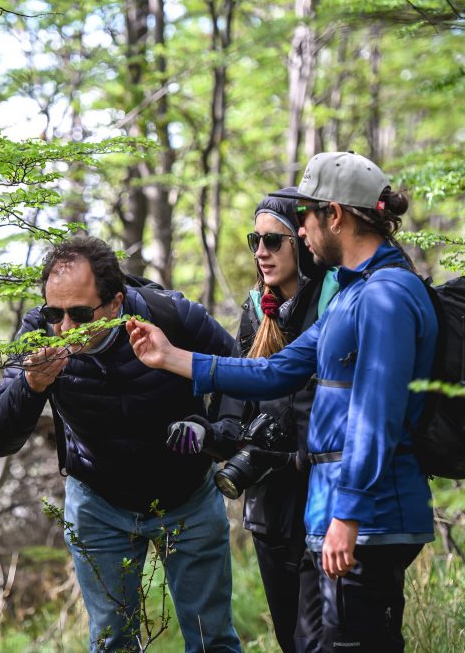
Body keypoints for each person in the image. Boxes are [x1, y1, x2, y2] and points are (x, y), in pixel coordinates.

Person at [128, 151, 437, 651]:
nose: (303, 234)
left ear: (333, 215)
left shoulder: (386, 296)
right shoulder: (353, 297)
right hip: (333, 517)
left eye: (304, 219)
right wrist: (173, 358)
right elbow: (276, 369)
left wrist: (349, 515)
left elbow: (377, 415)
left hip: (365, 521)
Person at [0, 236, 242, 652]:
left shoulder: (172, 315)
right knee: (112, 643)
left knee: (212, 638)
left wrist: (216, 433)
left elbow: (240, 372)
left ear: (116, 302)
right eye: (55, 312)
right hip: (98, 502)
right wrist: (31, 386)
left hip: (188, 497)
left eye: (81, 314)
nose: (65, 327)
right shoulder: (38, 335)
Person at [164, 194, 336, 651]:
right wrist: (206, 434)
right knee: (290, 637)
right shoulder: (256, 312)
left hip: (323, 503)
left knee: (325, 639)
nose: (261, 251)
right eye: (255, 240)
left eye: (273, 241)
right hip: (267, 509)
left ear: (301, 243)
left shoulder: (334, 306)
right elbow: (235, 412)